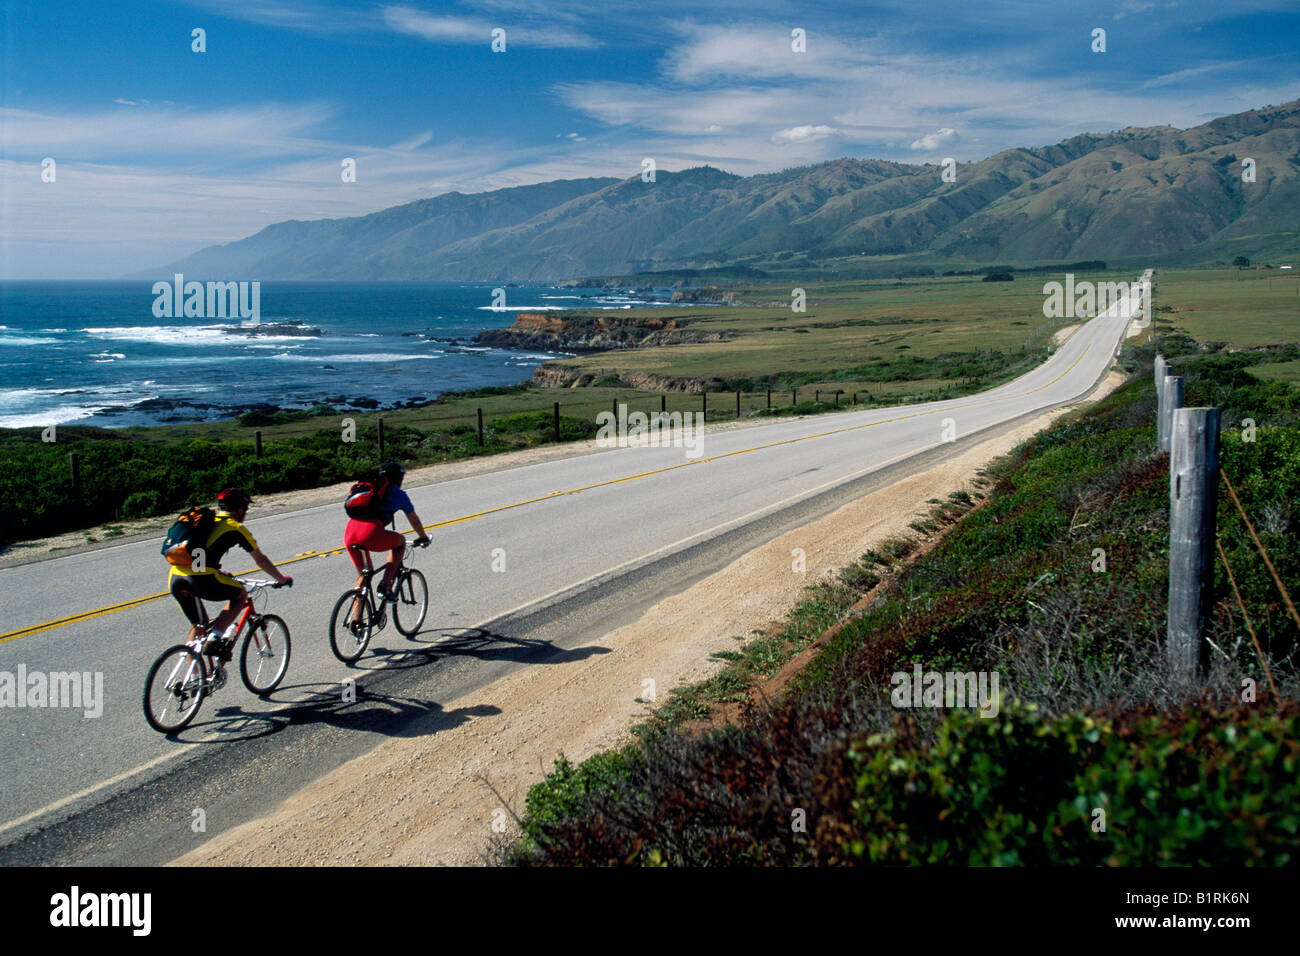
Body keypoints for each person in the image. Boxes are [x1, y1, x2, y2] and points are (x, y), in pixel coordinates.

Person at [169, 487, 293, 662]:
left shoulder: (207, 521)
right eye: (246, 509)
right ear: (240, 509)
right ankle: (215, 638)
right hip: (200, 578)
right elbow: (260, 559)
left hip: (177, 578)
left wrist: (217, 571)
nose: (246, 513)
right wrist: (281, 579)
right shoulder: (235, 528)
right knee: (240, 594)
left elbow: (199, 551)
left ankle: (195, 679)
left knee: (199, 625)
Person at [344, 461, 429, 601]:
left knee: (364, 579)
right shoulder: (399, 494)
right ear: (399, 478)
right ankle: (386, 586)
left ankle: (355, 620)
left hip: (350, 534)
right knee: (400, 542)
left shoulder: (372, 489)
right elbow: (415, 521)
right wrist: (423, 537)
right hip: (370, 533)